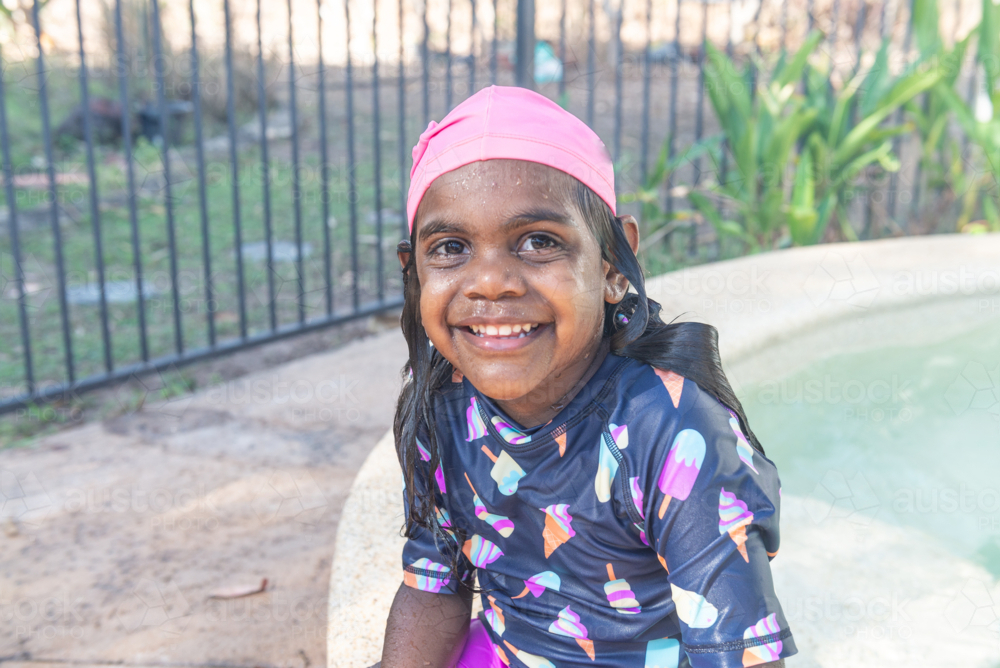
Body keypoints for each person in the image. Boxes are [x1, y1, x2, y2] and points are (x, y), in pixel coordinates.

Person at [376, 85, 795, 668]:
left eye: (539, 242)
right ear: (414, 271)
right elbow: (434, 586)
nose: (490, 282)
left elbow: (736, 655)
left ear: (612, 265)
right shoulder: (444, 411)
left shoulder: (671, 432)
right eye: (451, 248)